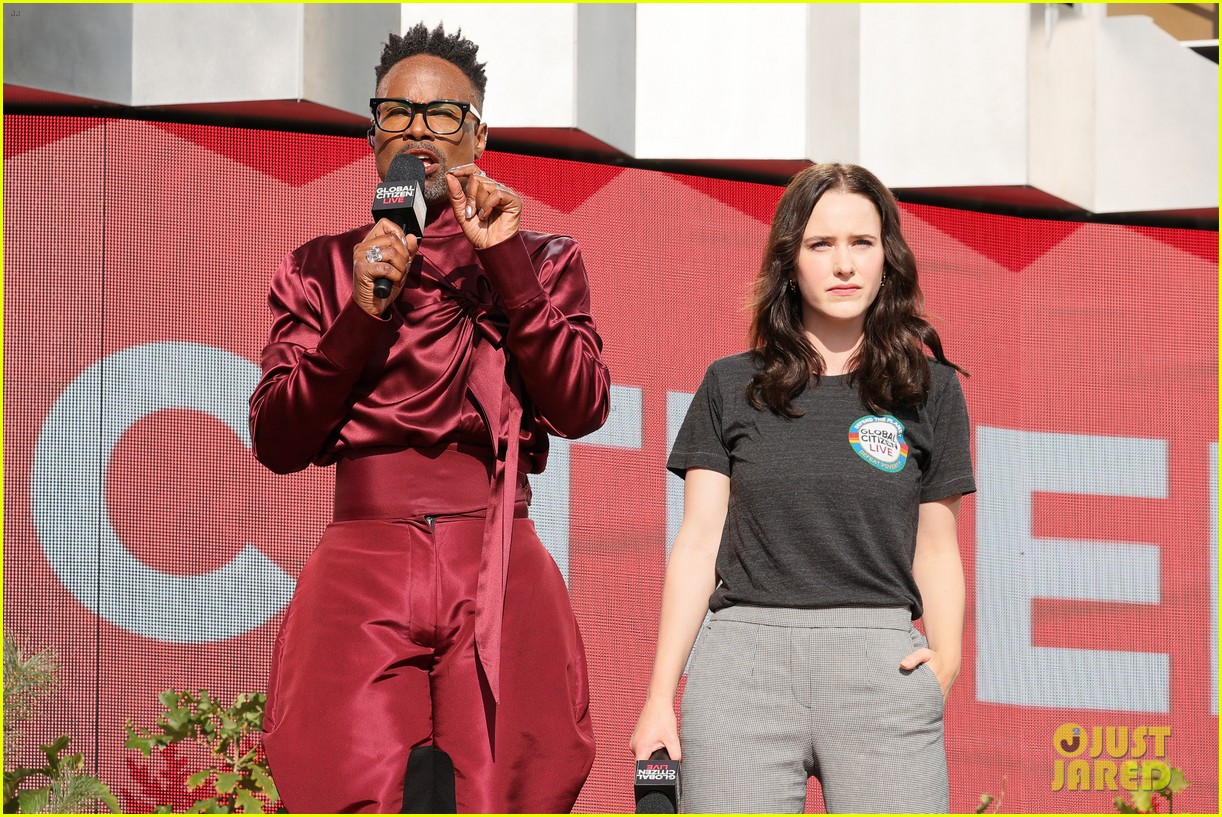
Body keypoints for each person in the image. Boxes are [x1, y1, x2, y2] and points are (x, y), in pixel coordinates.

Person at [249, 23, 608, 813]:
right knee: (339, 776)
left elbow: (581, 404)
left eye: (443, 115)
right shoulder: (317, 267)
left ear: (479, 134)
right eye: (397, 114)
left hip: (499, 557)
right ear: (370, 133)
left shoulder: (544, 258)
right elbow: (277, 438)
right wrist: (362, 310)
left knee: (514, 781)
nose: (418, 130)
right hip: (363, 557)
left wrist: (505, 263)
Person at [630, 163, 975, 813]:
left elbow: (937, 546)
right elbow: (699, 543)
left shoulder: (933, 391)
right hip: (741, 670)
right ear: (790, 261)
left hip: (882, 665)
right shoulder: (731, 385)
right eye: (821, 245)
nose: (843, 264)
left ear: (888, 256)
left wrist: (945, 663)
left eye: (861, 243)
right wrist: (658, 696)